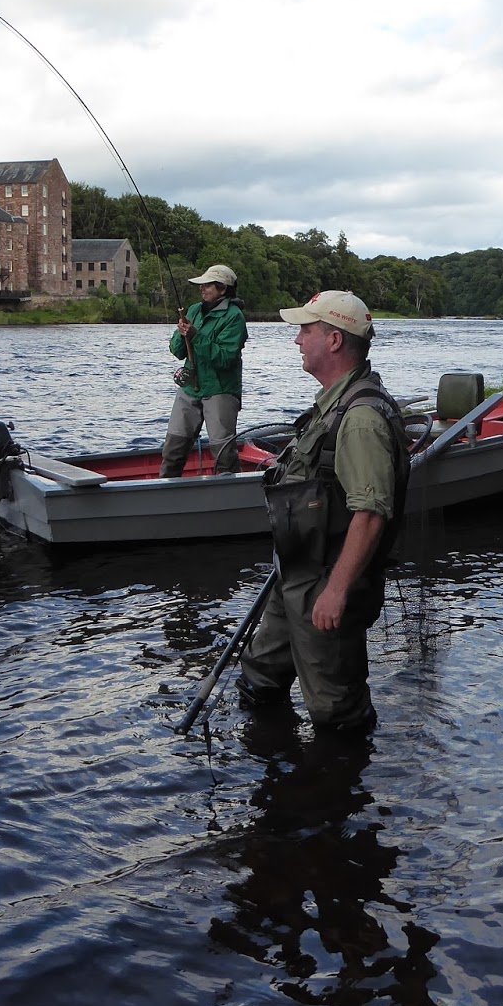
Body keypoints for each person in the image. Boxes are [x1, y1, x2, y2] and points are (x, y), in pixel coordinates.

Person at [237, 290, 408, 734]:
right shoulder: (333, 404)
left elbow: (371, 514)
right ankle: (269, 770)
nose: (297, 340)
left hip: (327, 585)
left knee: (337, 714)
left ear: (333, 340)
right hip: (296, 574)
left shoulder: (361, 418)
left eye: (305, 330)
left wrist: (336, 591)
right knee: (259, 677)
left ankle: (341, 791)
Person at [161, 264, 248, 478]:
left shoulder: (235, 317)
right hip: (190, 388)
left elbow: (225, 358)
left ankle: (231, 494)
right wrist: (181, 335)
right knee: (173, 448)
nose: (202, 289)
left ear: (222, 289)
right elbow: (177, 351)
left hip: (220, 389)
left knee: (223, 453)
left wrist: (196, 336)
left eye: (208, 285)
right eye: (202, 285)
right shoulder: (193, 310)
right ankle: (165, 491)